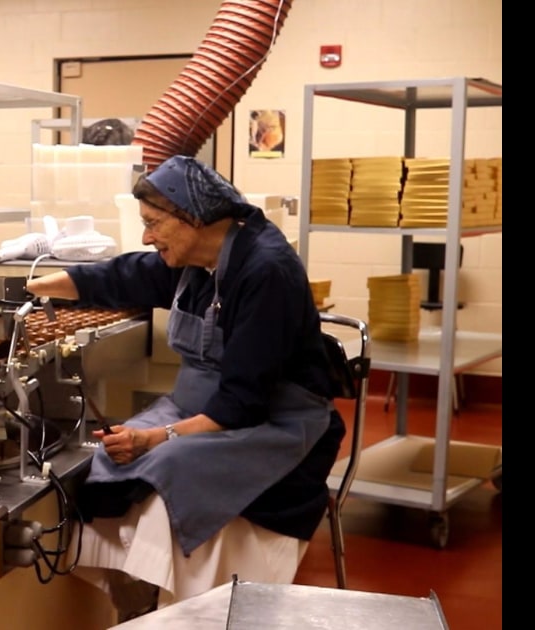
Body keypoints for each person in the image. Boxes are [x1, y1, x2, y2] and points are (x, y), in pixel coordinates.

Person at [25, 155, 345, 618]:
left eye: (153, 224)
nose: (146, 237)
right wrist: (31, 289)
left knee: (164, 464)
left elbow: (242, 404)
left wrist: (154, 438)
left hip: (275, 423)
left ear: (193, 217)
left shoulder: (265, 272)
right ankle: (137, 605)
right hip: (203, 409)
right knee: (103, 461)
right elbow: (121, 276)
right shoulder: (199, 258)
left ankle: (190, 613)